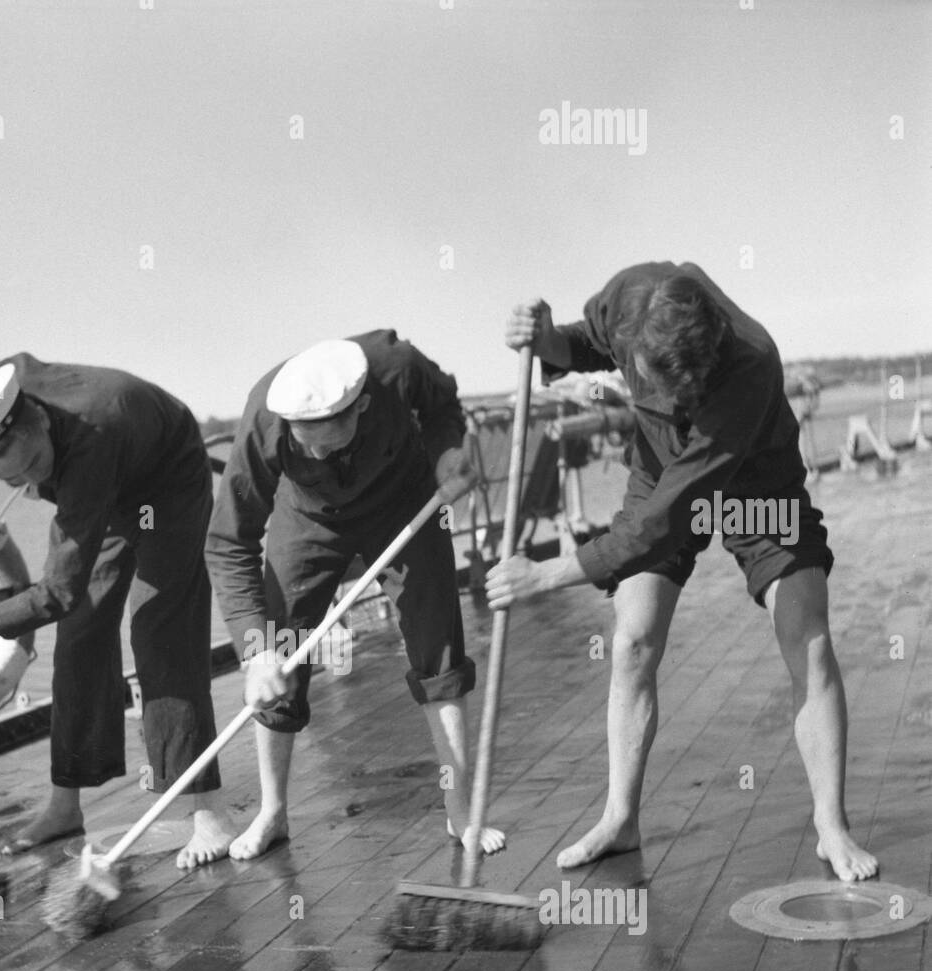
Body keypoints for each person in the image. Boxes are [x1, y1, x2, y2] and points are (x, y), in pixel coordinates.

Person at [488, 263, 877, 882]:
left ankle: (831, 826)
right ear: (638, 345)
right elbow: (579, 344)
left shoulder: (751, 365)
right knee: (633, 642)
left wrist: (545, 575)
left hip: (756, 485)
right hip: (658, 471)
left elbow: (664, 523)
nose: (679, 399)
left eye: (692, 390)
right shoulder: (626, 299)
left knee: (808, 638)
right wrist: (543, 337)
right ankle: (621, 818)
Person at [0, 353, 234, 870]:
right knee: (81, 636)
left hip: (166, 481)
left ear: (38, 419)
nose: (32, 479)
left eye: (36, 466)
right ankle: (66, 804)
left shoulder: (89, 443)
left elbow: (58, 591)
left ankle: (206, 810)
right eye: (16, 478)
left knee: (160, 633)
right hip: (103, 491)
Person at [204, 331, 501, 861]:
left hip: (404, 502)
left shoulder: (398, 366)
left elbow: (441, 405)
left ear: (362, 406)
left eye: (329, 441)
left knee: (438, 645)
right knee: (279, 642)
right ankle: (273, 812)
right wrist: (256, 651)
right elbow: (228, 541)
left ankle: (460, 809)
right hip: (309, 517)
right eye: (305, 442)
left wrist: (449, 454)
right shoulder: (263, 418)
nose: (316, 450)